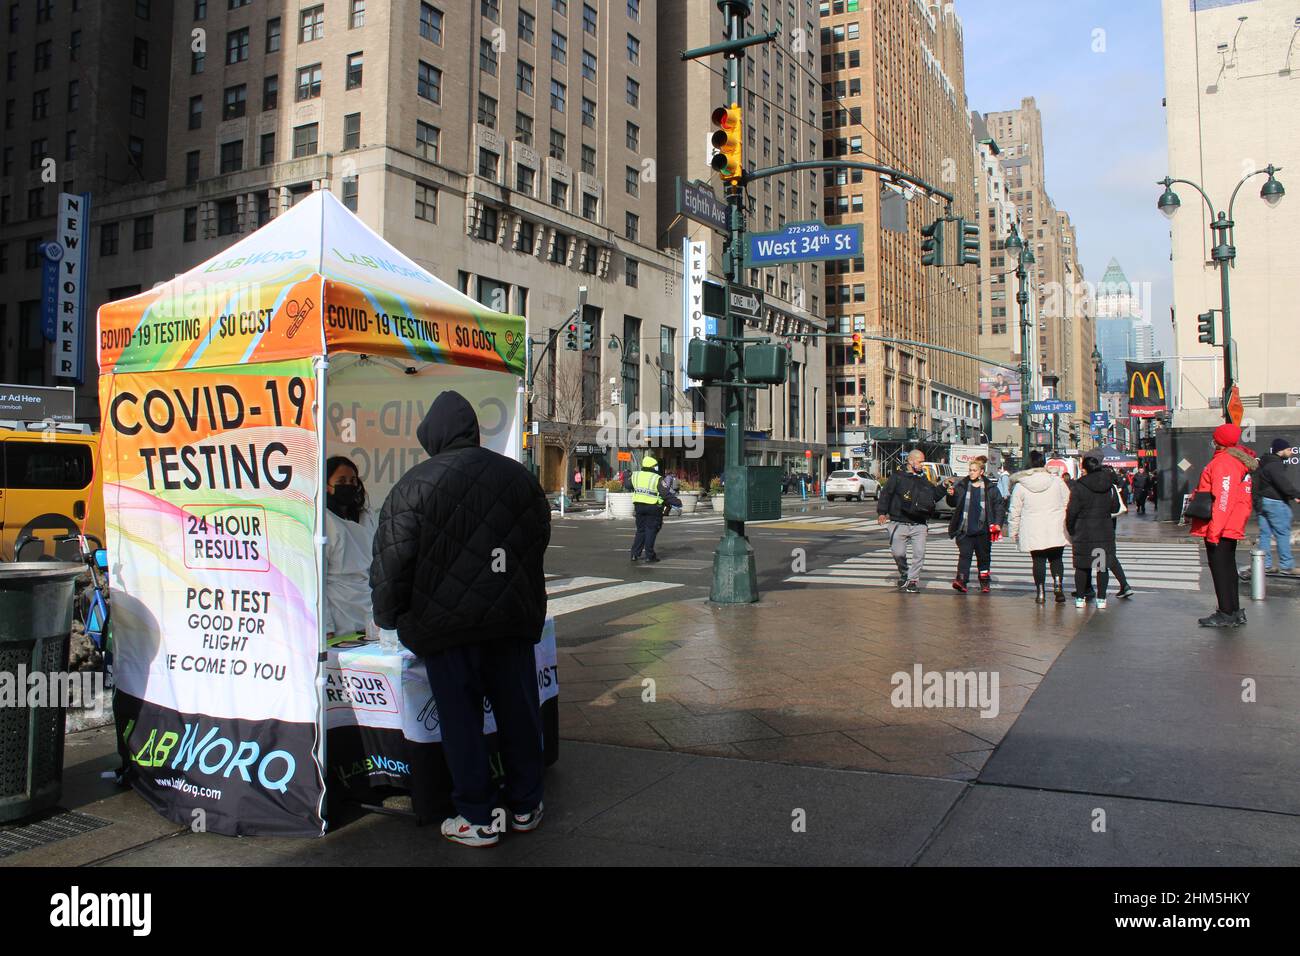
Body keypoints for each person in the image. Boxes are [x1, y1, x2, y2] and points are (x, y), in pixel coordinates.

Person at [370, 391, 552, 847]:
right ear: (472, 429)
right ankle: (526, 804)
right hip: (510, 622)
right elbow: (537, 543)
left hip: (446, 631)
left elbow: (392, 562)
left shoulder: (414, 485)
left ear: (431, 436)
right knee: (518, 713)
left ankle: (478, 814)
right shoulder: (519, 478)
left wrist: (388, 616)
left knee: (462, 723)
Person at [1189, 423, 1258, 627]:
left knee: (1220, 569)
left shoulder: (1224, 462)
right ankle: (1234, 610)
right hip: (1231, 523)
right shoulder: (1236, 460)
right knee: (1228, 568)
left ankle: (1226, 612)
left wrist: (1214, 532)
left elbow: (1223, 499)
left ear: (1218, 440)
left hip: (1221, 524)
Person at [876, 449, 945, 593]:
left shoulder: (923, 478)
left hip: (919, 524)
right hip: (898, 522)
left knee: (919, 553)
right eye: (920, 462)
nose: (922, 465)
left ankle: (913, 580)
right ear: (911, 461)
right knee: (898, 553)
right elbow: (886, 494)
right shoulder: (897, 477)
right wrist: (882, 513)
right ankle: (904, 572)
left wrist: (944, 487)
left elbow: (933, 496)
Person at [323, 456, 377, 640]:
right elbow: (318, 581)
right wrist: (326, 626)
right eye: (341, 481)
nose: (349, 485)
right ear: (326, 486)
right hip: (339, 608)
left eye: (353, 480)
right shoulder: (323, 520)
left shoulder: (365, 515)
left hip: (368, 605)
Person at [1008, 449, 1071, 604]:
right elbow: (1067, 502)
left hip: (1033, 528)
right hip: (1055, 526)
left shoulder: (1021, 485)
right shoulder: (1057, 481)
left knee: (1038, 561)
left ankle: (1040, 591)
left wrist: (1013, 531)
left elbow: (1014, 510)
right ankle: (1058, 586)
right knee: (1056, 559)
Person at [945, 456, 1005, 593]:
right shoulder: (962, 486)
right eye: (970, 470)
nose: (971, 473)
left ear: (981, 472)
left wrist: (997, 523)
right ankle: (961, 580)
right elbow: (953, 503)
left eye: (974, 470)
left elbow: (999, 506)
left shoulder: (990, 488)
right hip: (965, 529)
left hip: (984, 530)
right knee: (964, 556)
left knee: (984, 558)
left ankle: (984, 582)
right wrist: (950, 495)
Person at [1066, 454, 1119, 609]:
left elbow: (1072, 511)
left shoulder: (1079, 486)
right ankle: (1101, 599)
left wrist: (1071, 529)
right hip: (1103, 530)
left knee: (1082, 566)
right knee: (1101, 566)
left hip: (1083, 531)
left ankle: (1080, 599)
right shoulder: (1108, 484)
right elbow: (1115, 507)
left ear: (1084, 468)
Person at [1254, 438, 1300, 577]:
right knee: (1283, 533)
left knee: (1265, 535)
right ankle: (1286, 566)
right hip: (1275, 502)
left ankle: (1265, 565)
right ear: (1281, 450)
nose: (1291, 451)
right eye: (1288, 449)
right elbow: (1282, 483)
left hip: (1262, 502)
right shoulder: (1275, 465)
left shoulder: (1264, 462)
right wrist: (1295, 495)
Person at [626, 454, 681, 563]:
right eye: (655, 465)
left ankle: (634, 554)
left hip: (639, 506)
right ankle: (649, 556)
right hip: (652, 507)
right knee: (651, 530)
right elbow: (665, 494)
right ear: (652, 466)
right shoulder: (657, 478)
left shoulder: (635, 475)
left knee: (640, 530)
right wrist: (677, 502)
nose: (657, 467)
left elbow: (627, 485)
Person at [1104, 465, 1135, 598]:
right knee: (1109, 557)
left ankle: (1096, 593)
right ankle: (1124, 585)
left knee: (1099, 561)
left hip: (1096, 528)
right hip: (1110, 527)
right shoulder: (1113, 488)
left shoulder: (1099, 489)